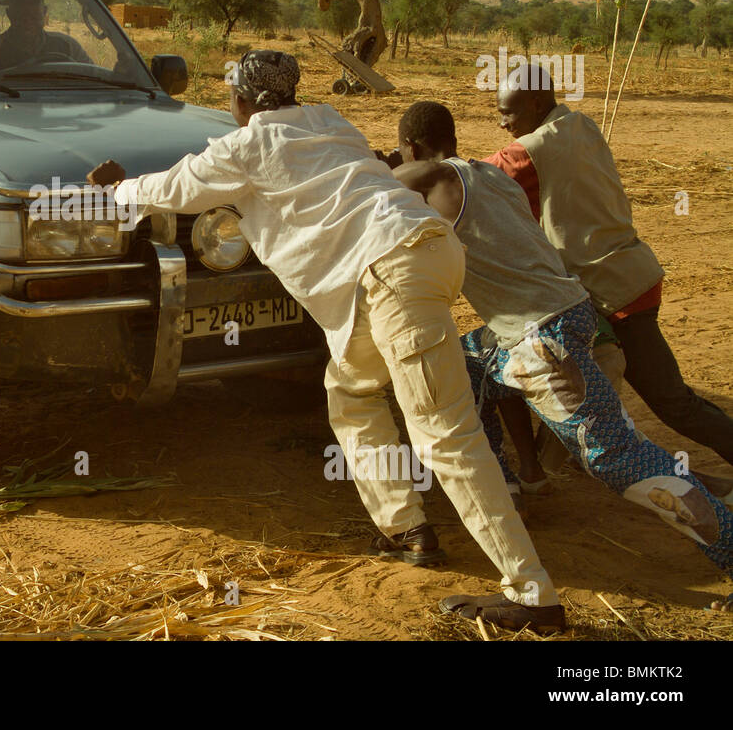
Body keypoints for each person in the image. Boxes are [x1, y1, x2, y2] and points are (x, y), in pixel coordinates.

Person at [87, 50, 565, 634]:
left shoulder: (246, 147)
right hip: (412, 260)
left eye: (229, 96)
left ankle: (533, 594)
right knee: (351, 391)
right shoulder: (332, 120)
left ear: (239, 100)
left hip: (392, 268)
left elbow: (173, 187)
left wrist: (116, 189)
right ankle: (407, 527)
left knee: (446, 433)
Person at [393, 101, 733, 598]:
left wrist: (382, 164)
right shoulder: (492, 176)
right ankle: (508, 485)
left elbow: (395, 181)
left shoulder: (433, 176)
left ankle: (727, 543)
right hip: (565, 316)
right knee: (464, 363)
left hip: (542, 338)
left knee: (617, 458)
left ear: (414, 146)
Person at [486, 64, 733, 468]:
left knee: (673, 403)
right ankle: (562, 459)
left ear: (533, 103)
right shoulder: (579, 124)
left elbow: (473, 180)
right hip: (624, 274)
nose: (502, 122)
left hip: (615, 291)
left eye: (508, 112)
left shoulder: (534, 148)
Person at [0, 0, 90, 77]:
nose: (28, 22)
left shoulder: (68, 46)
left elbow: (93, 77)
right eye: (21, 17)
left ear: (44, 12)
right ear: (10, 15)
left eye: (34, 16)